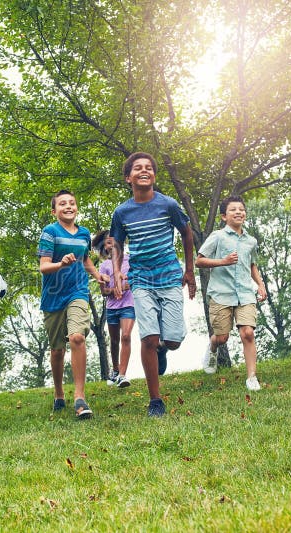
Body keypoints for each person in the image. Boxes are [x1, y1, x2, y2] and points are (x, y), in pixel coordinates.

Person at [109, 152, 196, 417]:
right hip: (142, 279)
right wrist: (117, 273)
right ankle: (155, 400)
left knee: (171, 340)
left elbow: (186, 232)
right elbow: (117, 245)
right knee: (147, 337)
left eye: (149, 168)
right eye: (138, 168)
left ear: (154, 176)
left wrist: (190, 270)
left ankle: (162, 349)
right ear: (128, 177)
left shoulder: (167, 204)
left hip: (169, 276)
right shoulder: (122, 212)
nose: (144, 171)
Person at [38, 190, 108, 419]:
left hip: (77, 291)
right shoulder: (50, 232)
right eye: (62, 204)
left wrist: (97, 276)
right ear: (54, 210)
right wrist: (60, 263)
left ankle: (80, 397)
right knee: (57, 350)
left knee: (77, 336)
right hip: (53, 295)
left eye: (72, 203)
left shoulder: (84, 233)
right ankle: (59, 393)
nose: (68, 206)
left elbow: (85, 257)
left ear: (76, 207)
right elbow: (43, 266)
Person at [195, 196, 267, 391]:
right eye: (233, 209)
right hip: (221, 293)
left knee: (248, 333)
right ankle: (212, 347)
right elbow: (199, 261)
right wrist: (223, 262)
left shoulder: (251, 241)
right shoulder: (218, 236)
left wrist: (260, 285)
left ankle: (251, 377)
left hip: (245, 293)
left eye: (241, 209)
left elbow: (252, 265)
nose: (238, 212)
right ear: (223, 216)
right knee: (222, 338)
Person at [93, 230, 136, 388]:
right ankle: (116, 370)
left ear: (120, 243)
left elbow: (136, 280)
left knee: (126, 336)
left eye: (113, 242)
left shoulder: (131, 260)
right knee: (114, 340)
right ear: (105, 247)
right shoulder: (104, 266)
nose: (110, 246)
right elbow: (104, 292)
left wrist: (125, 286)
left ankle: (123, 375)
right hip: (112, 307)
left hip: (128, 305)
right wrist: (116, 289)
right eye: (107, 243)